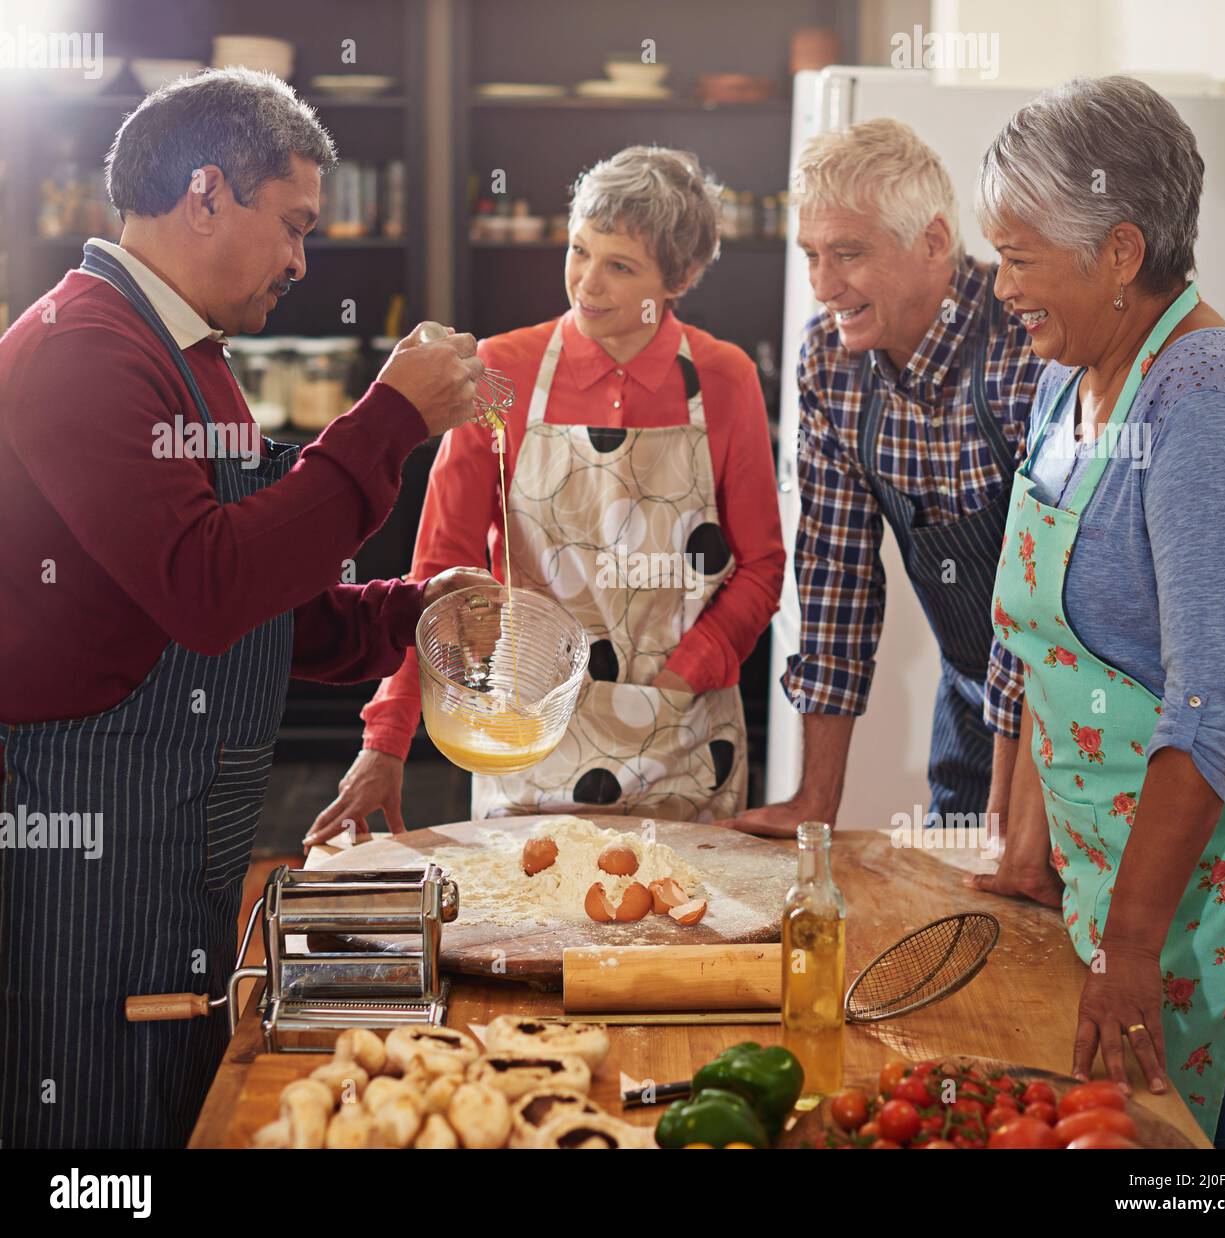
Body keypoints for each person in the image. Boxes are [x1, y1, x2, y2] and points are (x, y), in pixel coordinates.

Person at [0, 69, 488, 1148]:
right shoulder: (85, 350)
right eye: (295, 225)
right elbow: (208, 584)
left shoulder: (191, 357)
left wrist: (410, 613)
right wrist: (389, 419)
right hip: (88, 846)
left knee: (170, 1103)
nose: (302, 260)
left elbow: (269, 605)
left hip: (172, 844)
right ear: (208, 193)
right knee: (90, 1127)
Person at [968, 75, 1225, 1146]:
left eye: (1019, 258)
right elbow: (1031, 640)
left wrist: (1129, 942)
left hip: (1203, 869)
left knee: (1154, 1131)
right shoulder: (1063, 380)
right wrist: (1024, 844)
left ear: (1118, 253)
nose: (999, 284)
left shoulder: (1201, 408)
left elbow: (1210, 708)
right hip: (1095, 853)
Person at [305, 146, 783, 840]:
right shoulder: (501, 373)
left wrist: (686, 674)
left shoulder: (724, 378)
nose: (587, 282)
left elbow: (762, 565)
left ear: (677, 279)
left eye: (620, 267)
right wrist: (386, 740)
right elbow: (440, 572)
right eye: (579, 250)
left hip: (686, 742)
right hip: (529, 738)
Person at [725, 120, 1042, 837]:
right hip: (969, 695)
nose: (823, 285)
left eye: (848, 253)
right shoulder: (830, 364)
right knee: (960, 918)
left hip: (1073, 717)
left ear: (933, 242)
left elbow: (1043, 601)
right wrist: (815, 805)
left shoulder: (1024, 346)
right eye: (810, 255)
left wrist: (1007, 817)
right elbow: (837, 577)